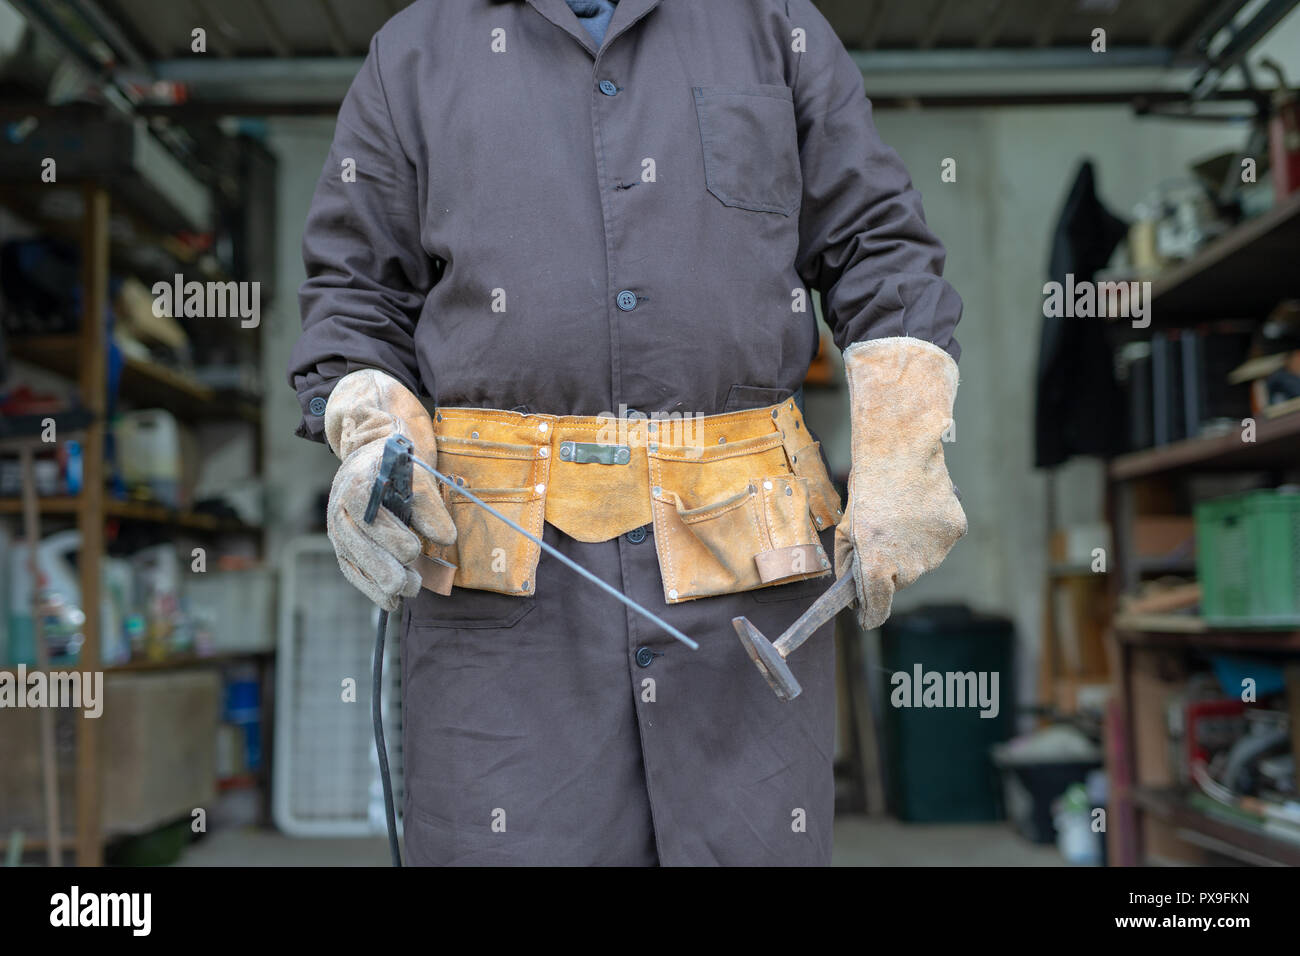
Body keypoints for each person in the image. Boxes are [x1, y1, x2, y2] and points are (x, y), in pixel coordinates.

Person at [289, 0, 965, 866]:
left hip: (745, 580)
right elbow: (354, 294)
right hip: (503, 595)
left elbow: (880, 246)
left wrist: (905, 440)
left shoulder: (774, 24)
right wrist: (371, 427)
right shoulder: (415, 51)